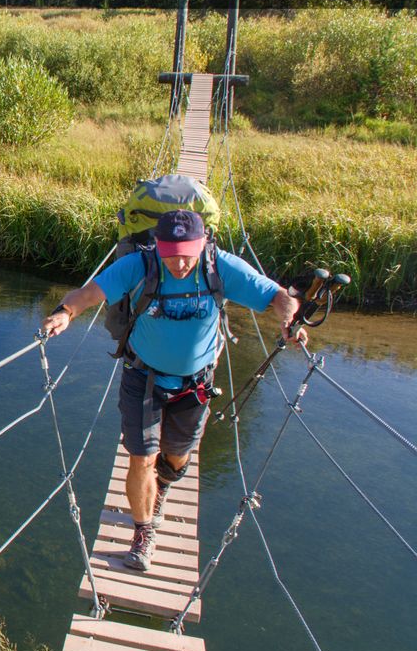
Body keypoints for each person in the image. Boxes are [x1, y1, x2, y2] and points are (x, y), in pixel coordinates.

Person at [39, 209, 307, 570]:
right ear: (159, 248)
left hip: (194, 384)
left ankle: (162, 486)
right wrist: (65, 313)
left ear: (203, 245)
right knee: (141, 457)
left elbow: (275, 295)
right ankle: (143, 531)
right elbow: (89, 293)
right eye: (171, 254)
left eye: (187, 253)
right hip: (142, 376)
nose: (179, 263)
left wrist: (289, 315)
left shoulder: (220, 267)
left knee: (177, 458)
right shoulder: (140, 265)